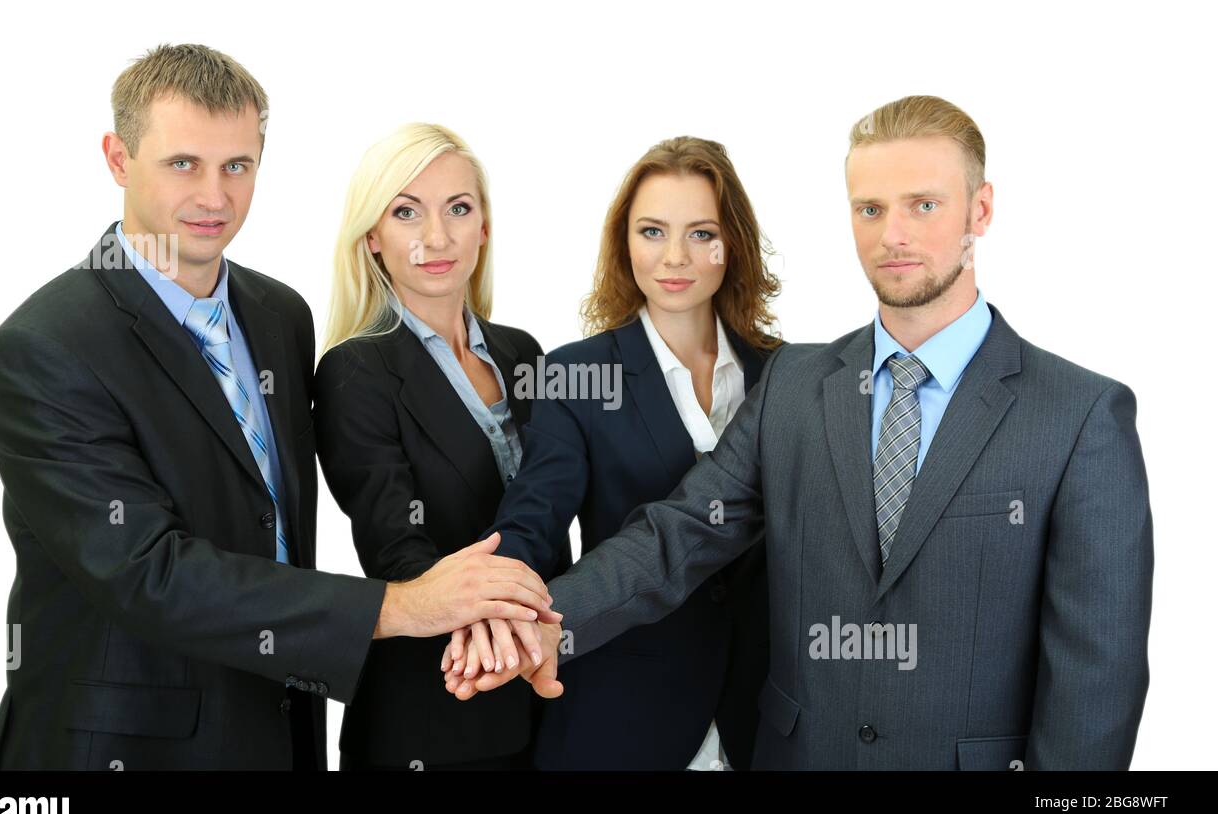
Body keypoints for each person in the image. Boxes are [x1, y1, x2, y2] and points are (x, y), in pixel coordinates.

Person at [448, 95, 1154, 771]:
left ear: (982, 208)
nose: (894, 235)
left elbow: (1097, 681)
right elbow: (678, 533)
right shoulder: (793, 385)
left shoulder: (1080, 417)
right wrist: (548, 622)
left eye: (924, 205)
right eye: (870, 208)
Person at [0, 45, 556, 771]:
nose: (214, 197)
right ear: (118, 159)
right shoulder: (43, 348)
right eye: (183, 163)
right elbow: (150, 573)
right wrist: (403, 606)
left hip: (280, 727)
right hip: (126, 745)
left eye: (237, 166)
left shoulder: (279, 315)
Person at [444, 137, 779, 770]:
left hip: (760, 714)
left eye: (700, 232)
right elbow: (534, 516)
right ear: (624, 242)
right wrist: (492, 610)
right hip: (622, 711)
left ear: (731, 242)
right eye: (652, 231)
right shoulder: (574, 375)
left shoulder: (785, 376)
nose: (674, 256)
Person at [314, 123, 572, 770]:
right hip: (433, 705)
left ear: (484, 225)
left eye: (458, 208)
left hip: (547, 691)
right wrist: (486, 627)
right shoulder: (354, 371)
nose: (437, 238)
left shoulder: (524, 354)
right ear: (372, 236)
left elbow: (549, 511)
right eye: (406, 212)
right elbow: (396, 546)